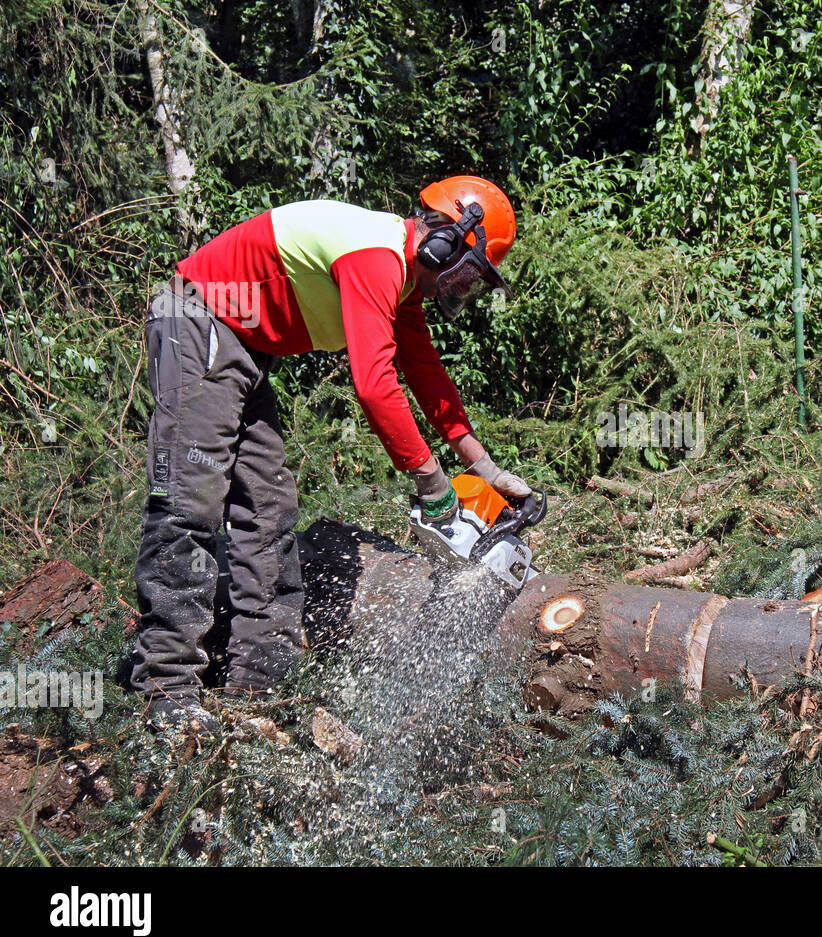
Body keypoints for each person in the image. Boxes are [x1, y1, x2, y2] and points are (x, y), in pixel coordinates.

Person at [129, 175, 530, 734]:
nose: (460, 287)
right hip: (199, 322)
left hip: (244, 348)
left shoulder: (405, 280)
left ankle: (259, 686)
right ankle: (167, 687)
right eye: (467, 272)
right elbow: (374, 383)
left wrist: (481, 465)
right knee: (190, 502)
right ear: (445, 237)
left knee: (267, 511)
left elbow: (424, 372)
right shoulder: (376, 258)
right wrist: (434, 489)